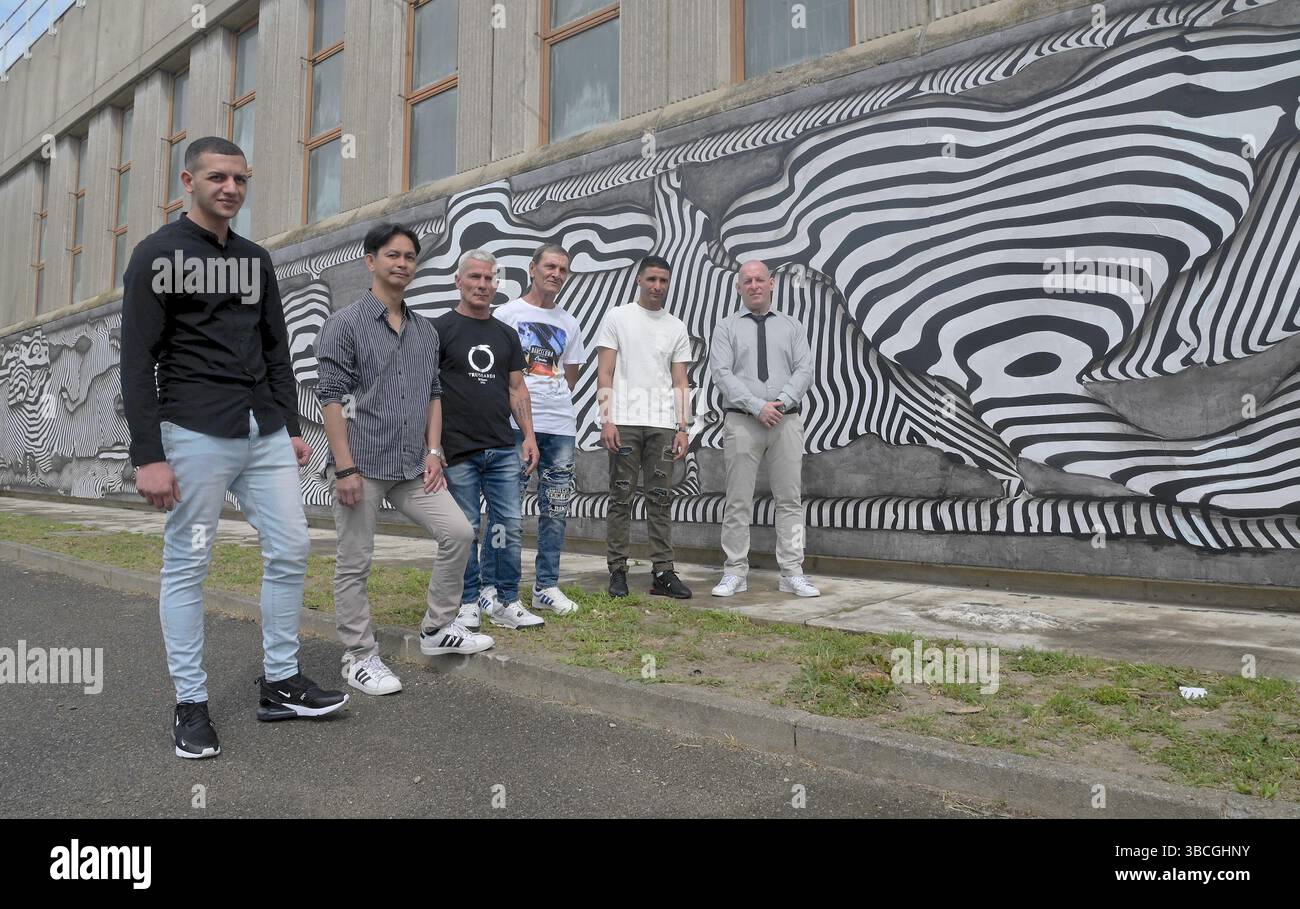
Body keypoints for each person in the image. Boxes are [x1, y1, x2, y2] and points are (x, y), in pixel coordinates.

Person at [120, 136, 346, 760]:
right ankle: (191, 702)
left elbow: (276, 347)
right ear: (187, 182)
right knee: (190, 563)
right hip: (194, 432)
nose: (231, 189)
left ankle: (280, 682)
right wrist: (149, 456)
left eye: (240, 179)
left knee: (293, 545)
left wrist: (291, 426)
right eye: (218, 177)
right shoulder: (155, 255)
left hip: (263, 430)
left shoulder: (254, 258)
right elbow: (137, 360)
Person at [316, 224, 492, 696]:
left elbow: (433, 393)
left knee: (458, 532)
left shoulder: (424, 331)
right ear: (370, 261)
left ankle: (436, 630)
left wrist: (434, 451)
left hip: (413, 468)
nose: (402, 263)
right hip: (362, 466)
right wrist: (345, 467)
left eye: (410, 257)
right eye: (392, 255)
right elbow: (330, 397)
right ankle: (358, 657)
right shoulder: (345, 323)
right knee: (355, 562)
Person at [434, 250, 544, 632]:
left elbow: (517, 389)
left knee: (507, 526)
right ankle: (467, 601)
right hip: (457, 451)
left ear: (497, 284)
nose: (483, 285)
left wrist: (528, 436)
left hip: (501, 448)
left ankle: (505, 600)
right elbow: (426, 393)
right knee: (466, 528)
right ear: (459, 281)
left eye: (489, 279)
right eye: (475, 277)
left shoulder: (505, 334)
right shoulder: (439, 330)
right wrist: (432, 447)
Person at [708, 260, 819, 598]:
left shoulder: (793, 327)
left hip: (786, 423)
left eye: (760, 279)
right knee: (737, 501)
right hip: (742, 423)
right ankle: (734, 572)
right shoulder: (725, 328)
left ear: (772, 284)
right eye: (747, 280)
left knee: (790, 501)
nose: (754, 285)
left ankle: (792, 572)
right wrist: (758, 407)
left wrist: (780, 404)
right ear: (738, 287)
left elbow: (805, 370)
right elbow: (721, 374)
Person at [493, 244, 586, 616]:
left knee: (556, 509)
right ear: (532, 269)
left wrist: (550, 400)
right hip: (515, 428)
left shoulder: (570, 322)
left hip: (560, 426)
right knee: (507, 512)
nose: (556, 274)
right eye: (550, 266)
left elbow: (571, 375)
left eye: (563, 269)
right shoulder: (507, 314)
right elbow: (498, 374)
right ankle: (496, 587)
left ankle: (546, 586)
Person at [594, 255, 693, 599]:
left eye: (663, 281)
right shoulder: (617, 317)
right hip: (624, 422)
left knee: (661, 500)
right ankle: (617, 570)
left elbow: (681, 380)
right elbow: (604, 372)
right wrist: (607, 419)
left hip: (663, 425)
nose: (657, 286)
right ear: (638, 280)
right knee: (620, 498)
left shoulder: (677, 326)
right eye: (651, 279)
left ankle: (663, 572)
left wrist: (683, 427)